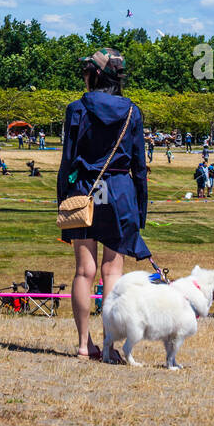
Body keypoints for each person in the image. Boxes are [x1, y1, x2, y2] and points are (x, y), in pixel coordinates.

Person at [57, 48, 149, 363]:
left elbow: (67, 159)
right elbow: (139, 165)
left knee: (85, 271)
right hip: (120, 191)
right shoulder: (132, 112)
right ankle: (109, 347)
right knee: (113, 271)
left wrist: (62, 200)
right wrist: (141, 210)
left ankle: (84, 345)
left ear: (94, 74)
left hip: (85, 189)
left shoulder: (76, 109)